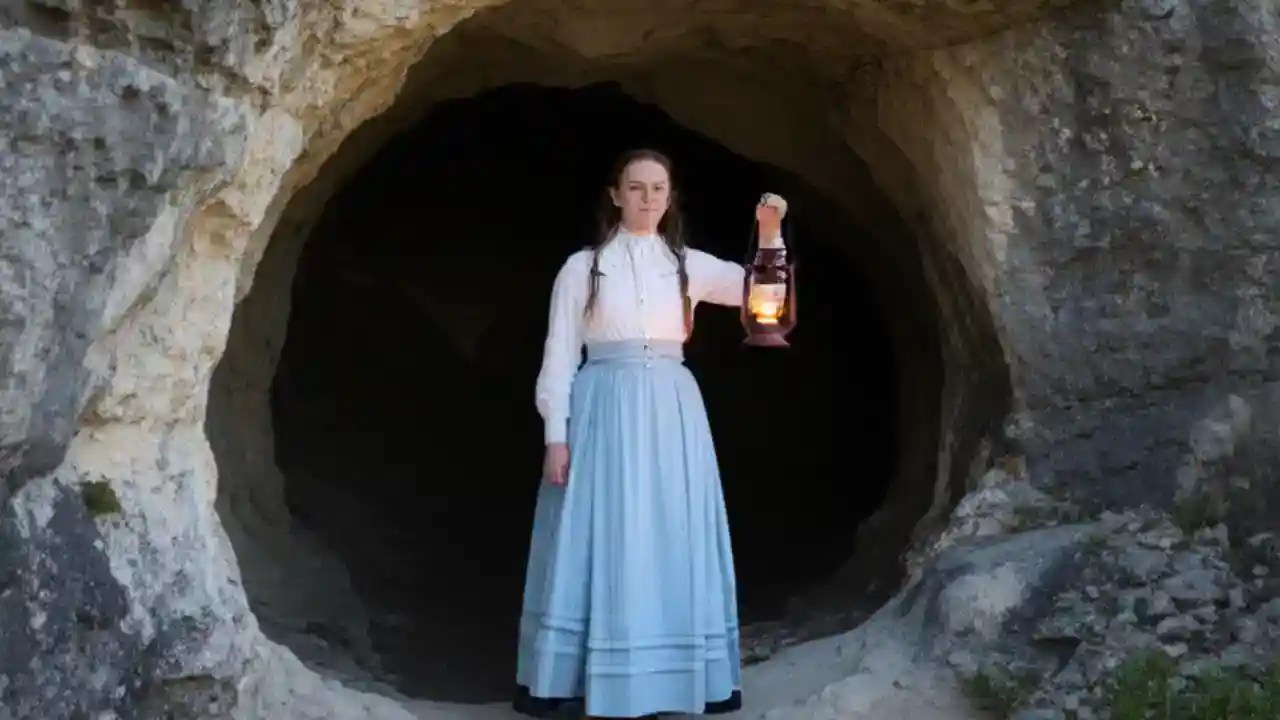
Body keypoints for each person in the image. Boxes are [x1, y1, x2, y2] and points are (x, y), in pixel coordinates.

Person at [513, 148, 785, 719]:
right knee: (603, 533)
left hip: (670, 407)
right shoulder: (581, 268)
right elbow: (559, 356)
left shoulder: (687, 265)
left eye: (658, 189)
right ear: (616, 195)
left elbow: (765, 293)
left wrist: (770, 231)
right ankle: (578, 681)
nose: (648, 198)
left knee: (669, 528)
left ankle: (673, 681)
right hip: (602, 406)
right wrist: (555, 437)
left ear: (670, 197)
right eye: (636, 188)